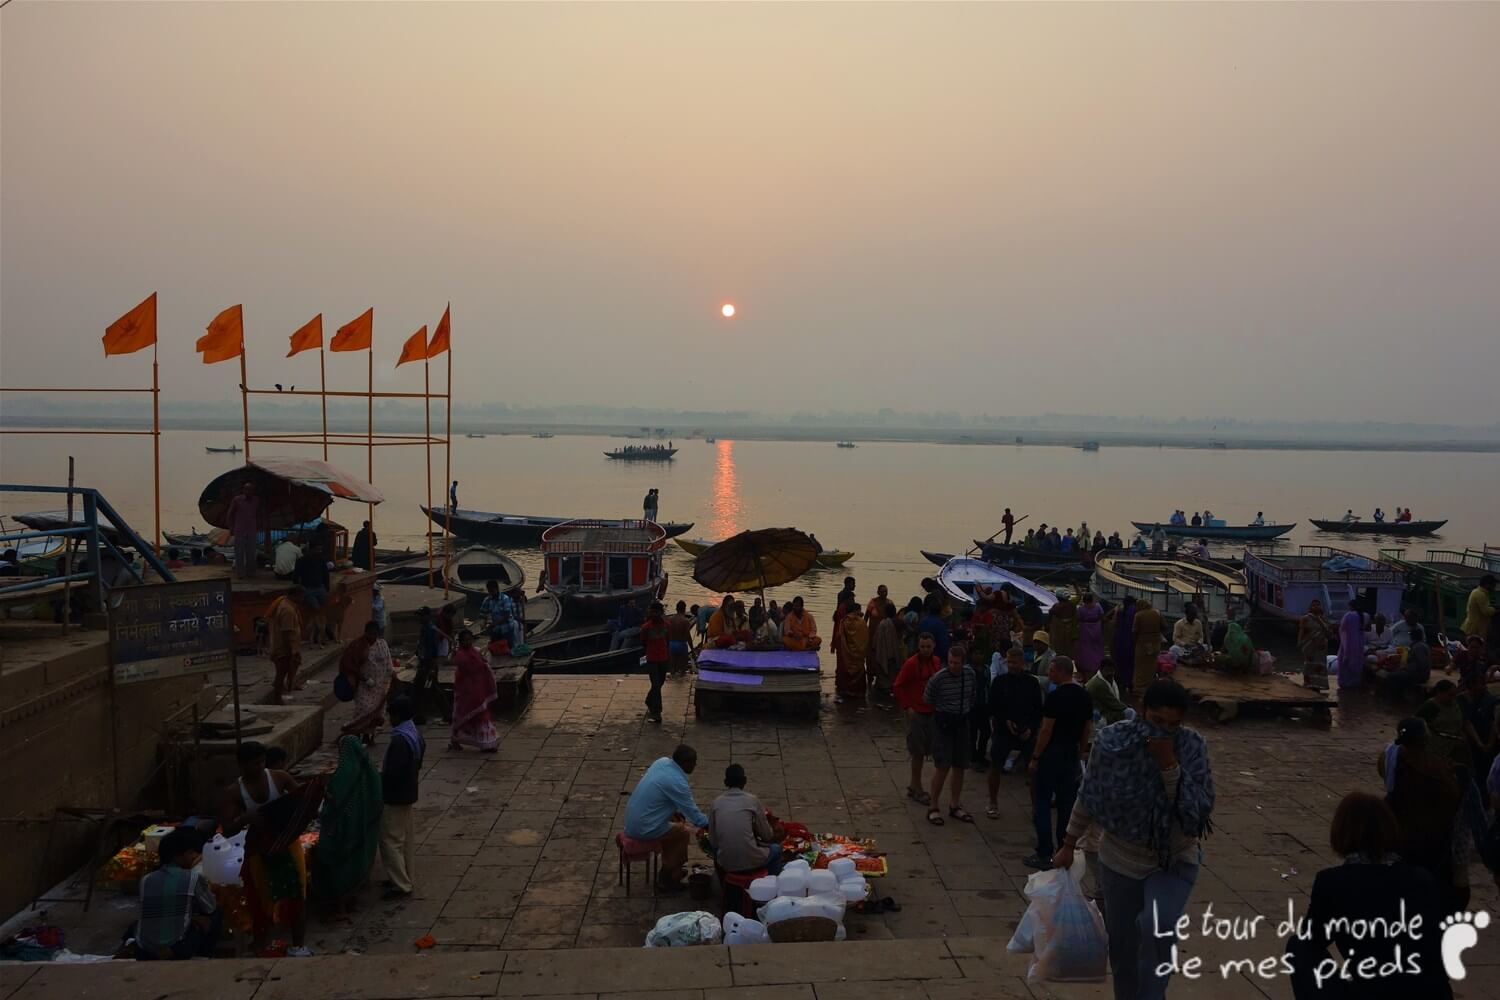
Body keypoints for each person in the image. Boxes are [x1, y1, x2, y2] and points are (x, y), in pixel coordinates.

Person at [1054, 679, 1215, 1000]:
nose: (1163, 731)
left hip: (1172, 859)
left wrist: (1169, 765)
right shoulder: (1112, 743)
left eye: (1173, 725)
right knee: (1123, 948)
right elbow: (1090, 795)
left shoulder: (1191, 747)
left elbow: (1195, 811)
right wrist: (1069, 844)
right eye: (1157, 722)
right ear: (1142, 712)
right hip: (1119, 860)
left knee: (1158, 927)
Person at [1284, 792, 1453, 1000]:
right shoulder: (1421, 879)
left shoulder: (1334, 882)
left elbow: (1312, 938)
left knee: (1299, 947)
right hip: (1430, 993)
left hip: (1373, 992)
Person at [221, 741, 319, 955]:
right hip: (259, 849)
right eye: (253, 764)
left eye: (261, 762)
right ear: (241, 765)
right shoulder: (234, 792)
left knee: (296, 895)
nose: (259, 767)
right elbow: (226, 829)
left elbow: (302, 799)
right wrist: (244, 819)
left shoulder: (279, 778)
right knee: (260, 899)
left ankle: (298, 946)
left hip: (287, 844)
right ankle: (261, 945)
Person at [1378, 718, 1464, 912]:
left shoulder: (1392, 759)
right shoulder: (1438, 768)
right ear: (1425, 739)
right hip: (1432, 840)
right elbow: (1453, 797)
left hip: (1403, 836)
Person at [1025, 656, 1092, 870]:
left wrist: (1035, 757)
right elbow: (1086, 728)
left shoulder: (1055, 697)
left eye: (1052, 670)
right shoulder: (1084, 696)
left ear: (1062, 671)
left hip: (1052, 753)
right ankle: (1064, 850)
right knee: (1066, 805)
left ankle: (1044, 852)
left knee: (1042, 803)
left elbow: (1046, 729)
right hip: (1071, 753)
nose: (1050, 674)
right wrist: (1080, 752)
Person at [309, 736, 383, 914]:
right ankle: (351, 898)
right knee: (356, 860)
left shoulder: (343, 774)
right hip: (361, 825)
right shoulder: (368, 770)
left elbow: (334, 803)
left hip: (343, 828)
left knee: (335, 863)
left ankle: (338, 906)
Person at [623, 744, 710, 893]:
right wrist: (711, 824)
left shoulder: (661, 762)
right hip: (644, 827)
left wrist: (674, 812)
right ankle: (668, 877)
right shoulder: (677, 782)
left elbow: (662, 797)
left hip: (633, 819)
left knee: (677, 823)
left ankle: (674, 868)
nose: (695, 765)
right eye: (693, 762)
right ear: (685, 763)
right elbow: (695, 816)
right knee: (682, 832)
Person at [135, 827, 221, 960]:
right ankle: (205, 955)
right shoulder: (192, 877)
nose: (194, 856)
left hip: (145, 949)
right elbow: (210, 907)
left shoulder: (146, 879)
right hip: (176, 948)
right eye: (191, 853)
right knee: (215, 915)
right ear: (178, 856)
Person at [922, 643, 977, 824]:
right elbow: (928, 698)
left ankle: (955, 804)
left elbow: (973, 695)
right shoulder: (938, 679)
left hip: (962, 722)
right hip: (944, 724)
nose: (953, 666)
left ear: (963, 663)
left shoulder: (969, 675)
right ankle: (934, 806)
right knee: (942, 766)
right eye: (951, 662)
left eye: (957, 663)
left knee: (960, 766)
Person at [379, 696, 424, 900]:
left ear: (397, 715)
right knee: (404, 839)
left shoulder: (399, 739)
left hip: (395, 795)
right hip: (409, 791)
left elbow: (392, 772)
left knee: (390, 840)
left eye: (391, 714)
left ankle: (400, 884)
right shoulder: (414, 733)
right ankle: (405, 877)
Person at [988, 647, 1043, 813]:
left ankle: (1035, 807)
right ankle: (992, 803)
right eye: (1009, 662)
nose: (1012, 666)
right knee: (996, 766)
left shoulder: (1032, 683)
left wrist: (1031, 729)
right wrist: (1005, 721)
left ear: (1022, 664)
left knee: (1033, 770)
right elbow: (992, 707)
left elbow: (1038, 709)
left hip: (1026, 731)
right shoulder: (999, 682)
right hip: (1004, 730)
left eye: (1015, 663)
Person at [709, 764, 785, 876]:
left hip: (726, 863)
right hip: (752, 860)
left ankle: (723, 884)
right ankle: (773, 885)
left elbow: (714, 841)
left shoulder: (716, 803)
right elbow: (767, 836)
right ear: (744, 781)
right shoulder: (752, 800)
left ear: (725, 782)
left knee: (717, 852)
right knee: (776, 849)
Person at [894, 633, 944, 806]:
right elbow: (898, 686)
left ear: (933, 646)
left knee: (927, 750)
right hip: (916, 713)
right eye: (922, 647)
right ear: (918, 646)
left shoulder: (937, 662)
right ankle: (917, 787)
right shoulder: (911, 664)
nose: (925, 650)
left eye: (928, 647)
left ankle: (914, 786)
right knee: (918, 753)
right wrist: (907, 707)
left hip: (932, 712)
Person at [340, 622, 394, 744]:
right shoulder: (357, 645)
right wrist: (364, 678)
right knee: (364, 709)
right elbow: (349, 664)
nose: (372, 637)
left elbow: (388, 661)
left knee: (376, 712)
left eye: (375, 634)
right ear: (366, 633)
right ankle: (354, 730)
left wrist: (392, 675)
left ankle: (369, 735)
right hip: (363, 685)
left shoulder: (382, 644)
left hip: (380, 685)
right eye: (370, 634)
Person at [449, 629, 498, 751]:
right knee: (463, 716)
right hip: (466, 691)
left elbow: (482, 665)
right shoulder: (460, 655)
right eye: (465, 640)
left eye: (470, 639)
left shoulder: (475, 651)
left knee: (481, 715)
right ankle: (457, 740)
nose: (468, 642)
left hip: (478, 688)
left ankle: (487, 743)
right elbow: (470, 669)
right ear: (460, 642)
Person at [267, 586, 304, 704]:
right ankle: (277, 698)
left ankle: (288, 685)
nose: (303, 599)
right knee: (281, 672)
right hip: (283, 647)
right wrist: (293, 649)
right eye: (301, 596)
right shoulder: (287, 610)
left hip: (284, 645)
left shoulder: (286, 604)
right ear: (295, 596)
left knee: (286, 669)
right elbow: (287, 632)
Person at [411, 607, 445, 724]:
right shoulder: (425, 628)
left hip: (428, 664)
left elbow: (433, 651)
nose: (420, 618)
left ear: (427, 616)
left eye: (422, 615)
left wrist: (431, 668)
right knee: (423, 689)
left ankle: (447, 714)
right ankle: (419, 715)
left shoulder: (430, 630)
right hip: (424, 663)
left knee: (430, 689)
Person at [293, 543, 332, 644]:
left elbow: (325, 575)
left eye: (320, 550)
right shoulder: (302, 561)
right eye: (317, 549)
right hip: (308, 590)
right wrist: (298, 587)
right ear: (310, 550)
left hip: (320, 588)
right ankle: (322, 635)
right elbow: (296, 575)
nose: (319, 551)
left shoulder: (321, 560)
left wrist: (327, 588)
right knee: (317, 609)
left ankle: (321, 633)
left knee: (325, 610)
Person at [834, 598, 869, 704]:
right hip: (858, 654)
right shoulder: (861, 622)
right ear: (856, 610)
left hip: (847, 653)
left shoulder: (844, 621)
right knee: (859, 672)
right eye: (859, 610)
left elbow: (839, 636)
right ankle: (857, 694)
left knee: (847, 672)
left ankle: (846, 692)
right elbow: (865, 638)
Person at [870, 600, 903, 709]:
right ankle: (891, 688)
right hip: (895, 653)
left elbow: (877, 639)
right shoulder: (898, 622)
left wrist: (874, 648)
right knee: (892, 672)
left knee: (884, 672)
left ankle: (885, 688)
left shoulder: (884, 623)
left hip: (883, 652)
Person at [226, 481, 263, 579]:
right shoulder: (237, 500)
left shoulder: (256, 500)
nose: (249, 491)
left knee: (251, 552)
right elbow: (230, 514)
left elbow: (258, 514)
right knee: (239, 553)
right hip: (239, 530)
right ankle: (240, 573)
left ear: (253, 491)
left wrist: (259, 526)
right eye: (247, 489)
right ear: (243, 490)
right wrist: (231, 527)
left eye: (251, 489)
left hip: (252, 530)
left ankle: (251, 572)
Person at [641, 602, 671, 723]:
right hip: (652, 659)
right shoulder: (646, 628)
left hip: (663, 657)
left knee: (660, 682)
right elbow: (643, 642)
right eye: (652, 612)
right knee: (656, 684)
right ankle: (657, 711)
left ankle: (649, 700)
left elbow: (668, 640)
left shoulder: (667, 626)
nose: (655, 615)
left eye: (657, 612)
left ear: (661, 613)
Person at [1297, 599, 1334, 691]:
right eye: (1314, 605)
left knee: (1320, 665)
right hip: (1309, 645)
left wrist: (1320, 620)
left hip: (1321, 646)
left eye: (1318, 605)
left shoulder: (1324, 619)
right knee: (1309, 664)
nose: (1316, 607)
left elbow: (1329, 633)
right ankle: (1308, 683)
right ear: (1310, 607)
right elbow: (1301, 631)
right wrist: (1299, 643)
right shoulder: (1305, 618)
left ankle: (1319, 684)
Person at [481, 579, 523, 653]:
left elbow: (506, 616)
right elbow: (483, 614)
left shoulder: (505, 599)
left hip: (507, 627)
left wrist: (494, 624)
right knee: (496, 648)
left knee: (509, 648)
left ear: (497, 589)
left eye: (492, 591)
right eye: (489, 591)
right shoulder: (487, 600)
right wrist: (483, 625)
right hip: (495, 629)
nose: (491, 593)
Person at [1086, 656, 1130, 725]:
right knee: (1124, 715)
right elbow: (1113, 703)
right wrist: (1128, 710)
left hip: (1101, 707)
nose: (1110, 673)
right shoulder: (1099, 684)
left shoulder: (1107, 679)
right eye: (1107, 671)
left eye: (1112, 671)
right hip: (1095, 713)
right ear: (1101, 670)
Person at [1130, 600, 1162, 692]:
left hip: (1142, 644)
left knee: (1140, 666)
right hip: (1155, 643)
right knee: (1152, 665)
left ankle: (1139, 688)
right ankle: (1149, 686)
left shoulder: (1138, 615)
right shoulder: (1157, 613)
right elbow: (1165, 626)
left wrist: (1135, 641)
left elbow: (1134, 631)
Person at [1074, 592, 1104, 676]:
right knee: (1097, 647)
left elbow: (1078, 618)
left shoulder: (1081, 609)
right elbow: (1102, 616)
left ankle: (1086, 664)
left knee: (1085, 647)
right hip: (1096, 627)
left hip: (1085, 629)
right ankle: (1098, 663)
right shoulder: (1098, 606)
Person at [1336, 606, 1365, 689]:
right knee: (1357, 661)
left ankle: (1344, 682)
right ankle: (1354, 682)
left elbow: (1342, 629)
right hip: (1358, 643)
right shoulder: (1362, 616)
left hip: (1348, 643)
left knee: (1345, 662)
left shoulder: (1348, 615)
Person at [1463, 573, 1496, 642]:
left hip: (1475, 627)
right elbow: (1486, 611)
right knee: (1475, 649)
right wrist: (1494, 609)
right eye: (1493, 585)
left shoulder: (1478, 592)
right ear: (1487, 585)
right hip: (1475, 629)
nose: (1494, 588)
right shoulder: (1480, 594)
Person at [1047, 591, 1078, 658]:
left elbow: (1050, 613)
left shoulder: (1056, 606)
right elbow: (1079, 596)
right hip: (1070, 629)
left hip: (1059, 630)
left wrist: (1048, 624)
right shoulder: (1072, 604)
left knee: (1059, 647)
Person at [666, 600, 693, 674]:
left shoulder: (670, 619)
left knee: (672, 668)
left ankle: (672, 681)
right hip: (681, 645)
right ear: (684, 609)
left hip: (671, 644)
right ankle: (681, 683)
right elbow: (688, 636)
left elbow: (666, 634)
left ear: (676, 609)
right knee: (682, 669)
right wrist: (692, 650)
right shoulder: (685, 621)